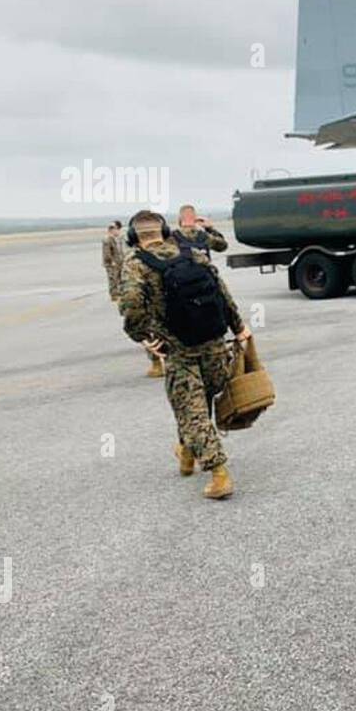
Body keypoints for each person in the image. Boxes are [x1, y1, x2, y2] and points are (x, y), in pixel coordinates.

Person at [118, 210, 250, 499]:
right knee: (196, 401)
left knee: (192, 411)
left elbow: (130, 303)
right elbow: (219, 288)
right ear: (164, 231)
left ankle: (219, 474)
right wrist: (239, 327)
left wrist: (143, 337)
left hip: (178, 349)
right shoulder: (189, 252)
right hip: (214, 341)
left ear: (133, 237)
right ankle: (187, 455)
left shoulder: (135, 263)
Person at [101, 221, 125, 304]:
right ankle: (114, 296)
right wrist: (111, 261)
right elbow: (107, 253)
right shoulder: (107, 239)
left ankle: (119, 294)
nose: (118, 231)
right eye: (117, 229)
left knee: (119, 278)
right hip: (112, 263)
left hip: (119, 262)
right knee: (113, 279)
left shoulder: (117, 238)